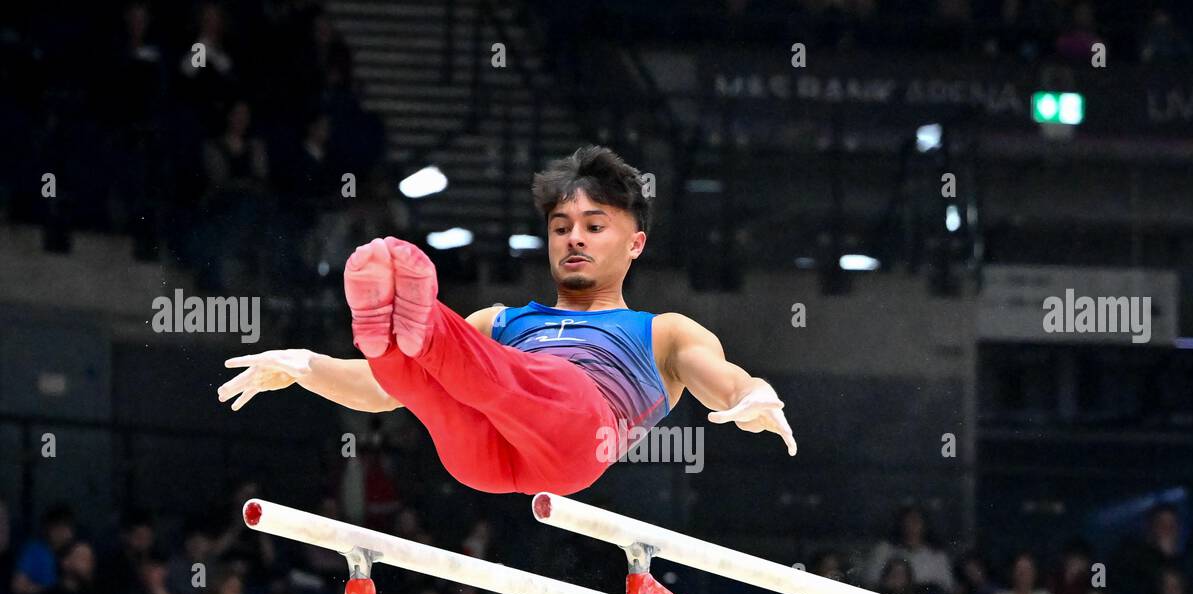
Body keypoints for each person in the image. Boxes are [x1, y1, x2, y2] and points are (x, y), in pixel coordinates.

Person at [219, 145, 796, 496]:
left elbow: (726, 382)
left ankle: (417, 321)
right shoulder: (502, 321)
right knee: (426, 383)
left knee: (535, 379)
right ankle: (395, 332)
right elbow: (384, 392)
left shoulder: (665, 332)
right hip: (479, 454)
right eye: (561, 226)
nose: (574, 238)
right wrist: (305, 366)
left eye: (595, 226)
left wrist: (755, 397)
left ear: (635, 243)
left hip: (575, 441)